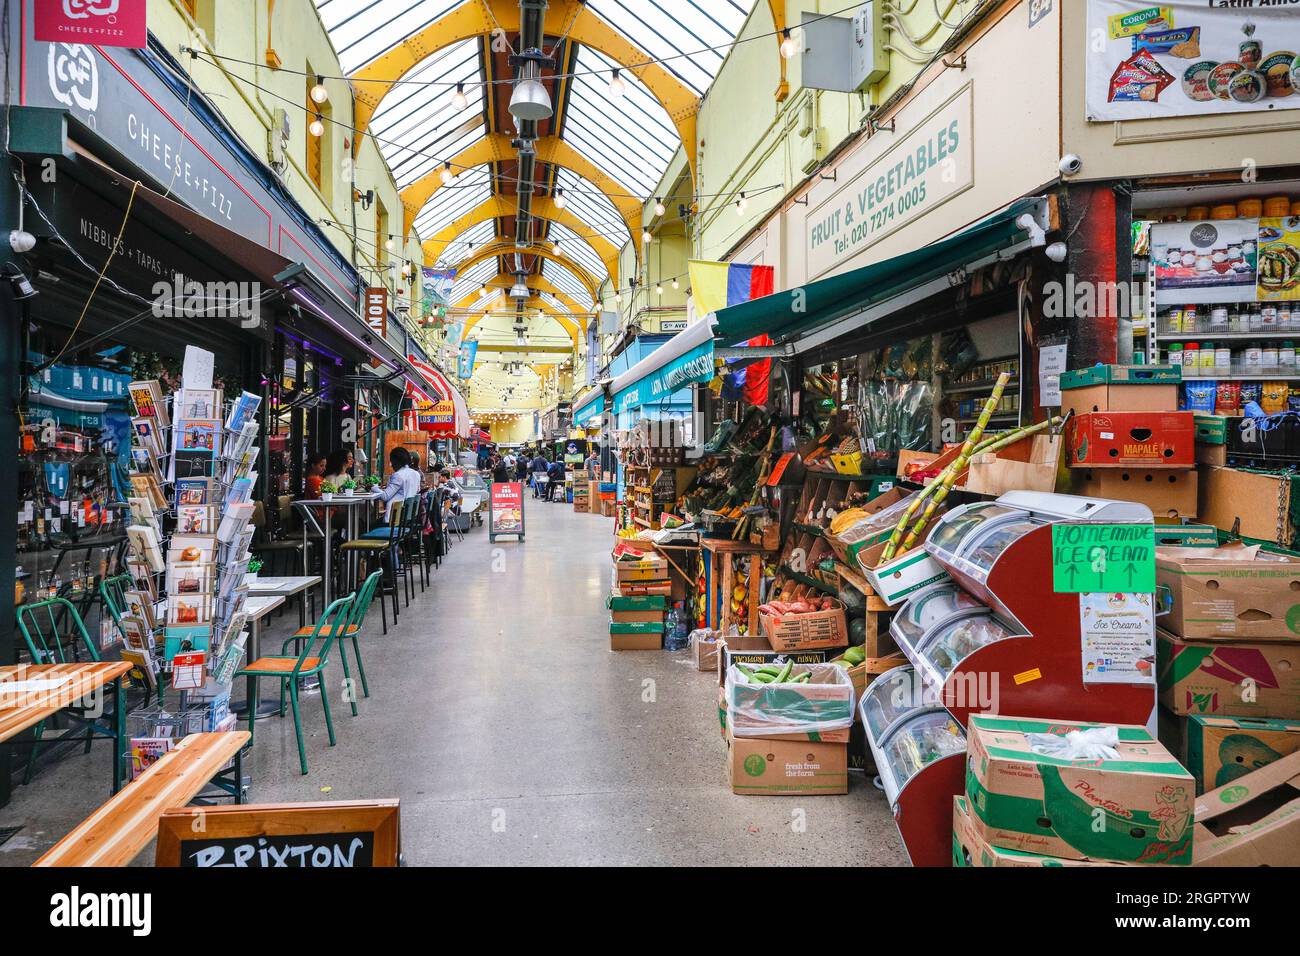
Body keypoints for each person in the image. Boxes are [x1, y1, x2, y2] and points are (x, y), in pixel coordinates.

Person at [377, 447, 422, 521]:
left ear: (396, 461)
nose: (391, 465)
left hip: (394, 520)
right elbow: (417, 490)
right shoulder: (416, 474)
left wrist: (373, 487)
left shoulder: (398, 475)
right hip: (408, 519)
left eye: (392, 461)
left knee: (367, 527)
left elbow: (385, 496)